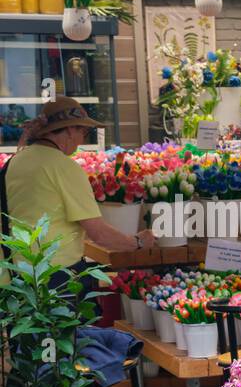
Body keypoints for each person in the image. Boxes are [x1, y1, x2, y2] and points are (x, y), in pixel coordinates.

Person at [2, 97, 155, 272]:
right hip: (53, 277)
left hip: (14, 274)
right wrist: (137, 242)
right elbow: (99, 233)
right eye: (83, 132)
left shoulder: (14, 162)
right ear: (69, 130)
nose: (81, 141)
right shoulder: (64, 167)